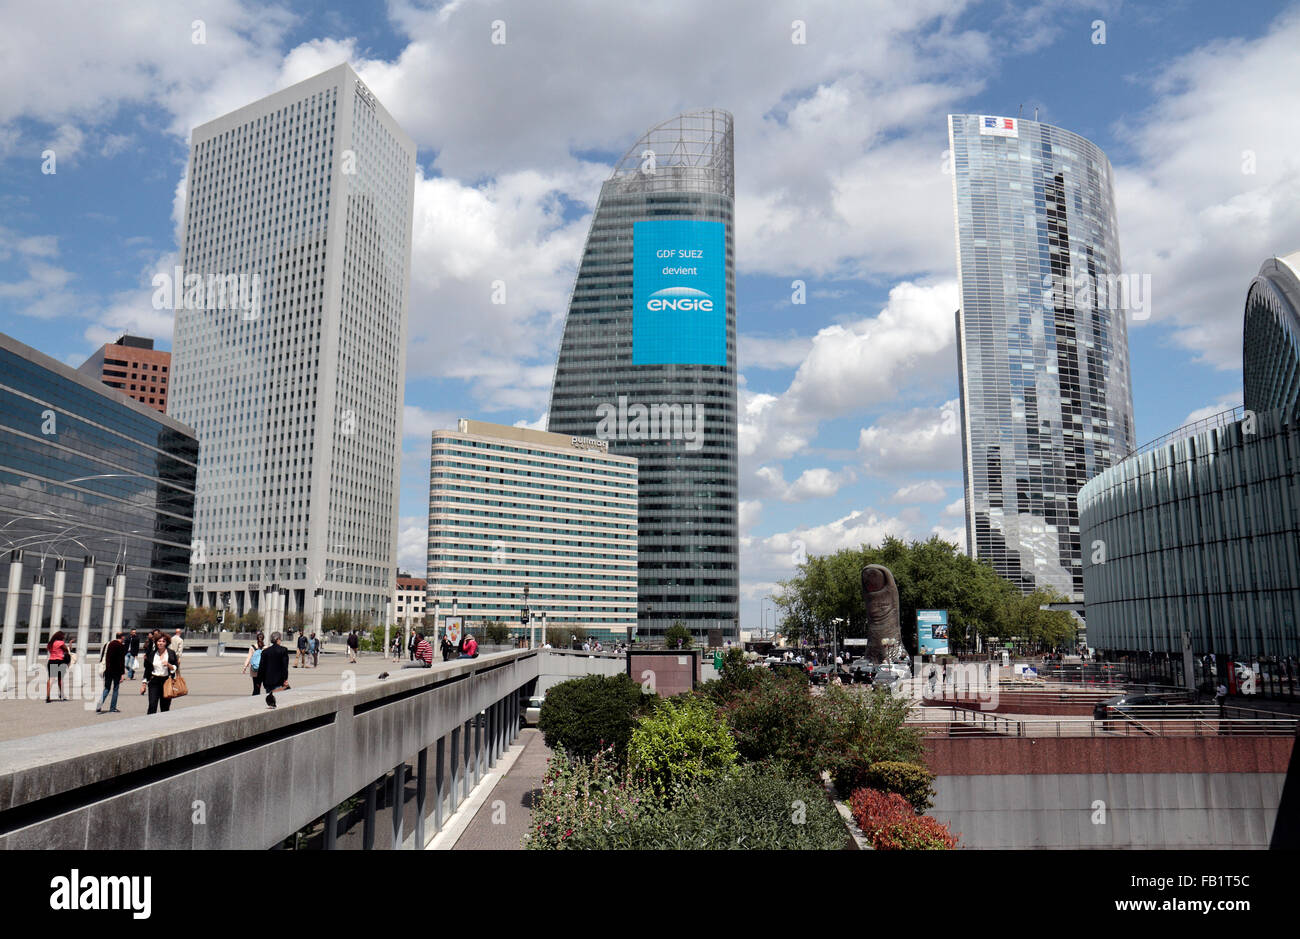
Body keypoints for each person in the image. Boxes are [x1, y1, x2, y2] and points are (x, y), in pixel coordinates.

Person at [141, 634, 179, 714]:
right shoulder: (152, 654)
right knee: (152, 705)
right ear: (156, 642)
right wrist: (144, 684)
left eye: (163, 641)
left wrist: (169, 665)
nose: (161, 643)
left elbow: (176, 667)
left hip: (166, 681)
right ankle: (149, 723)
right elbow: (147, 669)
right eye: (159, 641)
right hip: (154, 681)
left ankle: (163, 725)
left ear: (166, 643)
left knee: (165, 707)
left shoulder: (171, 653)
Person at [97, 632, 126, 713]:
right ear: (122, 637)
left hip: (108, 670)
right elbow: (121, 661)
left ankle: (99, 706)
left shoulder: (109, 644)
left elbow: (104, 656)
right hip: (116, 671)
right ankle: (112, 708)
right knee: (115, 689)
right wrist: (122, 673)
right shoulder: (120, 646)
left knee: (106, 688)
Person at [259, 632, 291, 709]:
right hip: (279, 681)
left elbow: (261, 668)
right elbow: (285, 667)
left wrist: (259, 681)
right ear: (277, 639)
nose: (280, 641)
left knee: (270, 701)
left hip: (268, 682)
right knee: (279, 703)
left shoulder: (265, 652)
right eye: (280, 639)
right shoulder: (283, 650)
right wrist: (285, 679)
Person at [45, 630, 70, 702]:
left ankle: (48, 696)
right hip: (60, 661)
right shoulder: (60, 643)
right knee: (60, 679)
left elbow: (49, 650)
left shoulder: (50, 643)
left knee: (51, 679)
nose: (64, 637)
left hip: (51, 661)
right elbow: (66, 650)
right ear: (61, 636)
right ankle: (62, 695)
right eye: (63, 636)